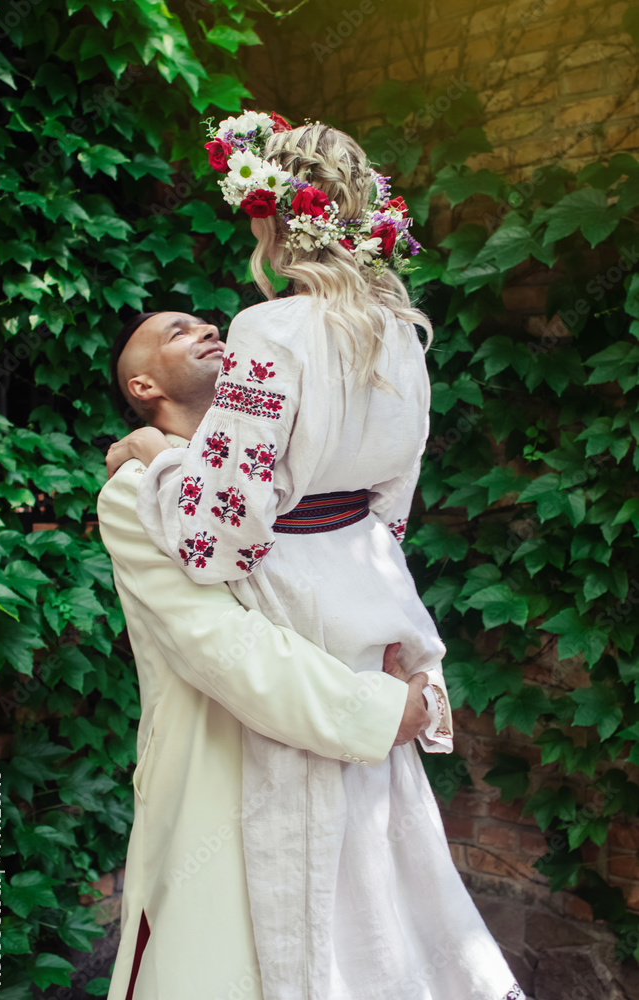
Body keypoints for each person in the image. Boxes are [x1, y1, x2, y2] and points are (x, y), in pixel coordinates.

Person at [109, 115, 524, 1000]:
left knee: (300, 893)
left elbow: (218, 536)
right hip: (367, 605)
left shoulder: (269, 328)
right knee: (385, 897)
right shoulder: (402, 334)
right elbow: (393, 506)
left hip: (288, 612)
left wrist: (162, 457)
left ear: (272, 218)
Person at [98, 310, 436, 1000]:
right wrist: (382, 711)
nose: (203, 329)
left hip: (347, 761)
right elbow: (223, 646)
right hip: (220, 771)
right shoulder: (132, 493)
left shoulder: (289, 479)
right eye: (172, 331)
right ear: (140, 385)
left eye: (203, 322)